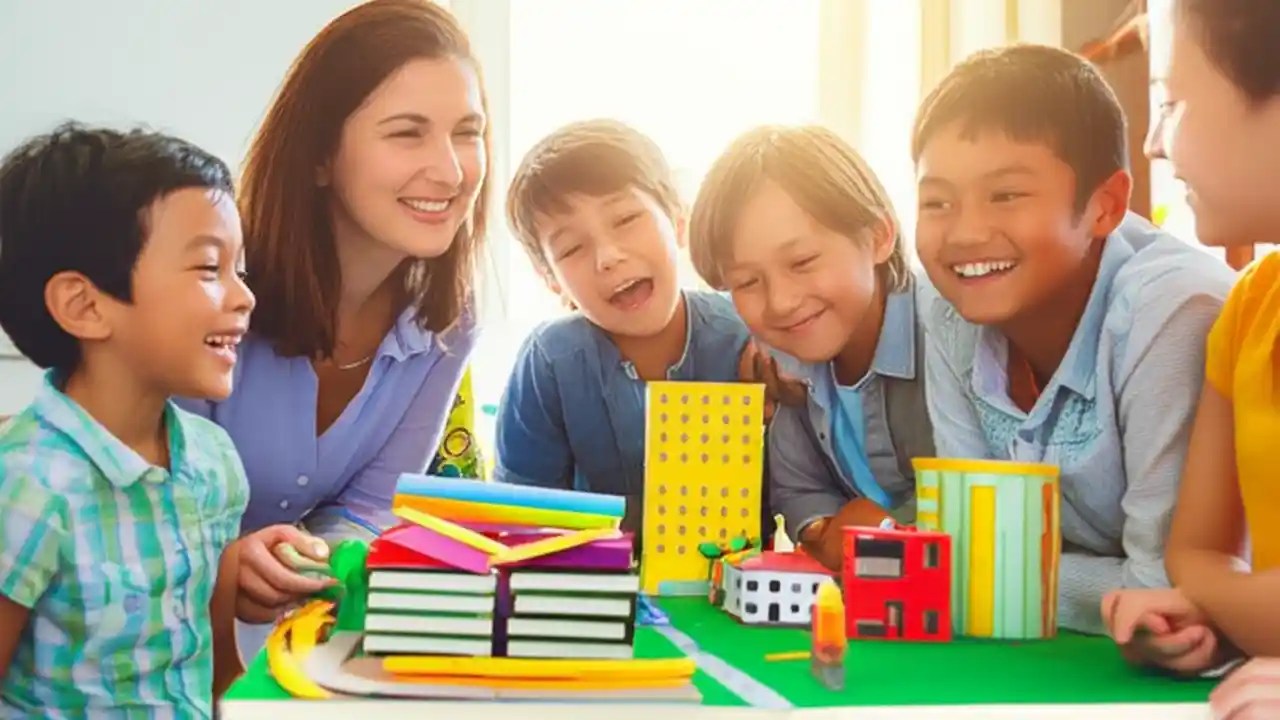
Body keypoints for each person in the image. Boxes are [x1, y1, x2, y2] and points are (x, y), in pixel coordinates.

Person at [176, 0, 489, 634]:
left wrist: (308, 558)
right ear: (320, 156)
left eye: (467, 131)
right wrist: (225, 564)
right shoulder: (211, 289)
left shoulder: (451, 319)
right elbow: (136, 511)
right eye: (407, 133)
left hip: (284, 633)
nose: (452, 170)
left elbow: (369, 508)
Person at [913, 44, 1235, 634]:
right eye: (937, 201)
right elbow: (969, 548)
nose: (964, 233)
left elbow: (1164, 589)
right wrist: (985, 572)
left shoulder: (1171, 309)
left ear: (1105, 206)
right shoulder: (945, 306)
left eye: (1005, 195)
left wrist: (1001, 575)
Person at [0, 123, 253, 716]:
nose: (244, 297)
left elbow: (222, 677)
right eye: (210, 269)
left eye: (242, 269)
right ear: (85, 306)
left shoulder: (215, 462)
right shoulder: (26, 487)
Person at [1099, 1, 1280, 716]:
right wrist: (1235, 625)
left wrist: (1245, 612)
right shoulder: (1246, 311)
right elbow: (1195, 556)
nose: (1152, 145)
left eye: (1171, 103)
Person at [495, 119, 765, 535]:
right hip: (587, 588)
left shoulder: (751, 334)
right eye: (571, 248)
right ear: (550, 277)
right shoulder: (549, 362)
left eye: (625, 219)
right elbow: (522, 516)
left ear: (678, 219)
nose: (607, 256)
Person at [688, 125, 933, 571]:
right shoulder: (788, 361)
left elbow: (977, 489)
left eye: (802, 262)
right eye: (747, 282)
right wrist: (825, 530)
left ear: (878, 236)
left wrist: (881, 529)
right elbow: (799, 491)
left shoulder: (944, 338)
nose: (781, 302)